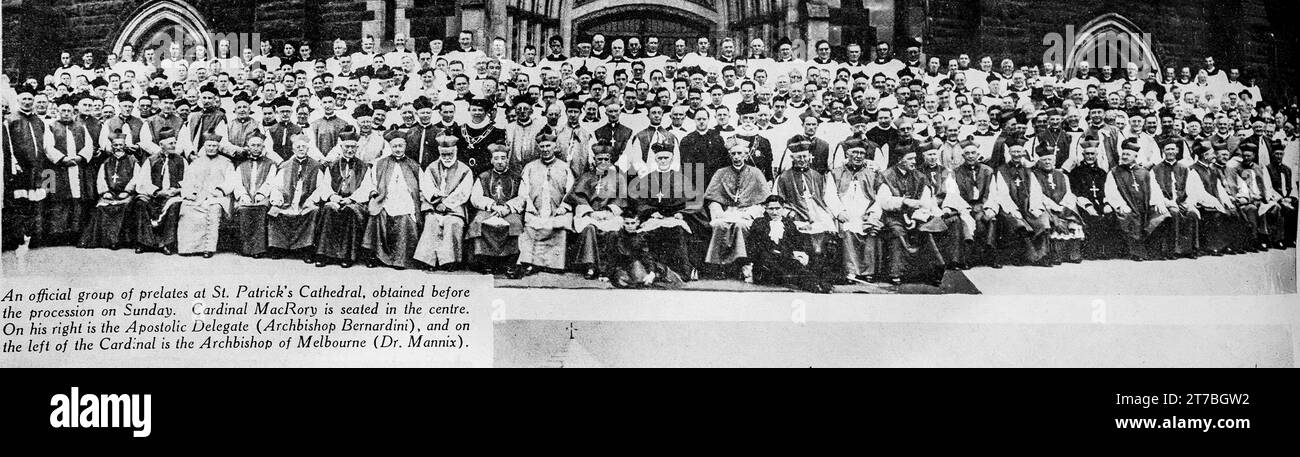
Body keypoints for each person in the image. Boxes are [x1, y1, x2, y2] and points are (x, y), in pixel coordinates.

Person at [877, 147, 947, 285]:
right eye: (910, 158)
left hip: (916, 215)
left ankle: (932, 272)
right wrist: (904, 202)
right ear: (899, 160)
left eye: (914, 158)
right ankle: (896, 272)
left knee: (925, 231)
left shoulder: (920, 176)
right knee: (898, 232)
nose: (914, 162)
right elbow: (883, 201)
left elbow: (925, 201)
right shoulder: (886, 175)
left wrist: (915, 217)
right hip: (893, 216)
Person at [702, 140, 770, 281]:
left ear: (746, 155)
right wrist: (718, 211)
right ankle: (718, 266)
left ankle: (741, 264)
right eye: (733, 154)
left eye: (740, 153)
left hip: (746, 211)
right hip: (726, 211)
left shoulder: (756, 173)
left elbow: (763, 201)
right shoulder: (721, 173)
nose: (737, 157)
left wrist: (750, 213)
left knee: (741, 226)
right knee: (719, 225)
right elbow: (712, 198)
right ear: (729, 155)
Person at [511, 133, 574, 278]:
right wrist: (530, 206)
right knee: (531, 227)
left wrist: (563, 207)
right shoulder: (530, 167)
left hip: (557, 210)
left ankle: (553, 265)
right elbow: (523, 191)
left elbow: (570, 192)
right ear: (538, 148)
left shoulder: (564, 167)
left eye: (548, 146)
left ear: (555, 147)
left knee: (558, 227)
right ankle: (530, 263)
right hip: (536, 209)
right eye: (542, 146)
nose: (545, 149)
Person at [358, 136, 425, 269]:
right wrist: (373, 192)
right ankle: (374, 256)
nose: (398, 149)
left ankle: (400, 259)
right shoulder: (380, 163)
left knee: (406, 218)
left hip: (406, 200)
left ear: (405, 147)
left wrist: (421, 197)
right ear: (390, 147)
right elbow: (370, 182)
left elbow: (423, 185)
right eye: (395, 146)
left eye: (400, 146)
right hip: (385, 198)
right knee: (377, 215)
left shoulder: (414, 165)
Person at [630, 143, 696, 280]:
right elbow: (638, 200)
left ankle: (681, 272)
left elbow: (694, 199)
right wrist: (650, 212)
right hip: (654, 217)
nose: (663, 161)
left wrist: (682, 213)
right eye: (660, 158)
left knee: (677, 232)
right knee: (646, 235)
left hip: (675, 218)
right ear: (656, 160)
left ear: (671, 159)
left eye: (666, 158)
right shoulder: (648, 178)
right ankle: (651, 271)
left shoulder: (681, 178)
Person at [565, 141, 628, 279]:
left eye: (606, 159)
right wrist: (590, 212)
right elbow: (576, 196)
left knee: (614, 229)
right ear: (594, 160)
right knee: (589, 228)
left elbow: (621, 199)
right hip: (589, 214)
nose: (603, 162)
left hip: (609, 214)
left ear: (611, 160)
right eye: (600, 159)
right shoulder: (586, 176)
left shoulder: (618, 177)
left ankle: (607, 267)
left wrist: (608, 212)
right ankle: (590, 266)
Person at [824, 139, 884, 282]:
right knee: (847, 229)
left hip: (866, 213)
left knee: (871, 229)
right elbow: (830, 195)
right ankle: (851, 271)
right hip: (845, 213)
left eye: (862, 153)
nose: (858, 156)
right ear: (847, 154)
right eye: (855, 152)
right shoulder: (835, 173)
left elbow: (880, 196)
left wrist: (873, 214)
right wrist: (839, 212)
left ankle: (868, 271)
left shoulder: (873, 174)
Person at [747, 195, 835, 293]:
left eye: (777, 208)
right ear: (766, 209)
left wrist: (800, 254)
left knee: (805, 262)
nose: (774, 212)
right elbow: (754, 247)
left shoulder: (788, 223)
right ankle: (815, 285)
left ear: (783, 208)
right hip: (766, 262)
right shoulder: (759, 223)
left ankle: (817, 283)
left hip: (785, 258)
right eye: (771, 209)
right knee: (791, 267)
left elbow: (796, 243)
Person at [39, 94, 95, 247]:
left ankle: (75, 233)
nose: (65, 113)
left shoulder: (80, 127)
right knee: (58, 200)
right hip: (57, 169)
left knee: (77, 200)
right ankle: (58, 234)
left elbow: (89, 146)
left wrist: (80, 157)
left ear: (73, 112)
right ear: (58, 111)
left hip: (77, 167)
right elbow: (48, 147)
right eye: (63, 110)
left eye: (68, 111)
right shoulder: (50, 126)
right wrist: (62, 159)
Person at [1104, 138, 1170, 261]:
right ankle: (1137, 253)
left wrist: (1158, 202)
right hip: (1127, 205)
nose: (1124, 156)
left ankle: (1155, 251)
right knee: (1129, 216)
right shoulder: (1114, 172)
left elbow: (1154, 189)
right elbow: (1111, 192)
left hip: (1144, 205)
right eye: (1123, 154)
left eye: (1128, 154)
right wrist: (1120, 205)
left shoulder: (1145, 172)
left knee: (1161, 215)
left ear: (1135, 156)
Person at [413, 135, 473, 270]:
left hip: (455, 207)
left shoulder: (464, 169)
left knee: (453, 223)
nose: (447, 157)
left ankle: (449, 261)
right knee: (431, 222)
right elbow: (427, 186)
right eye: (444, 155)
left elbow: (463, 191)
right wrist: (437, 202)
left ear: (455, 152)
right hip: (434, 205)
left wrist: (446, 204)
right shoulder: (431, 167)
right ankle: (429, 261)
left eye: (450, 154)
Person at [313, 130, 371, 267]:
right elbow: (325, 185)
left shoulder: (364, 166)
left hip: (354, 202)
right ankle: (324, 254)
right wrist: (332, 196)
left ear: (357, 148)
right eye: (347, 147)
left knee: (350, 211)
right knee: (328, 209)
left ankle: (347, 256)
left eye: (353, 147)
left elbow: (366, 187)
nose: (350, 150)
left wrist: (351, 199)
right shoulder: (332, 165)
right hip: (335, 199)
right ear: (341, 147)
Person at [78, 131, 142, 250]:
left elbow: (136, 178)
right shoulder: (106, 162)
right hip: (110, 193)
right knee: (101, 207)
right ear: (112, 147)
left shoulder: (133, 161)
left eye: (121, 145)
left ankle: (118, 241)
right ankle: (105, 240)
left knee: (123, 207)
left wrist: (127, 191)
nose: (118, 148)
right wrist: (104, 192)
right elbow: (101, 179)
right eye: (115, 145)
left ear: (125, 146)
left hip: (126, 193)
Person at [267, 135, 326, 263]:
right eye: (297, 147)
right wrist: (277, 200)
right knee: (275, 211)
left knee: (313, 211)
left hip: (306, 201)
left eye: (303, 147)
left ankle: (305, 249)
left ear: (307, 149)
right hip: (288, 201)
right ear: (293, 150)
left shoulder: (316, 166)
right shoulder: (286, 166)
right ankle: (279, 248)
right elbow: (276, 186)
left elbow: (320, 187)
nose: (300, 149)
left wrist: (311, 200)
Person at [176, 133, 237, 258]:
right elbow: (188, 180)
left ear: (218, 147)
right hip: (199, 195)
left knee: (213, 210)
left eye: (214, 146)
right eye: (209, 145)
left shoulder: (227, 162)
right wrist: (191, 193)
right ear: (204, 146)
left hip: (218, 196)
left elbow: (231, 182)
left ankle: (208, 248)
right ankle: (189, 247)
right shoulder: (196, 162)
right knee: (186, 208)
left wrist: (220, 191)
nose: (211, 148)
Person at [992, 141, 1051, 266]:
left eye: (1019, 151)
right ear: (1009, 153)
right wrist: (1013, 209)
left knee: (1043, 221)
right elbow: (1002, 194)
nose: (1016, 154)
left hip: (1028, 206)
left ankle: (1042, 256)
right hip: (1010, 207)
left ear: (1023, 153)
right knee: (1018, 224)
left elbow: (1035, 190)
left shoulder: (1028, 170)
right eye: (1014, 151)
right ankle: (1022, 256)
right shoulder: (1002, 170)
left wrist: (1034, 207)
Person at [468, 144, 524, 274]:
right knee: (478, 222)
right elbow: (475, 197)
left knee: (515, 223)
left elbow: (523, 197)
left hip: (509, 210)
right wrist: (492, 205)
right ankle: (485, 261)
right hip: (488, 209)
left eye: (503, 158)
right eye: (496, 158)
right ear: (491, 160)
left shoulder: (516, 177)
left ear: (507, 160)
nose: (500, 162)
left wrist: (508, 207)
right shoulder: (483, 176)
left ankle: (509, 262)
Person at [131, 126, 185, 255]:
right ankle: (144, 242)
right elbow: (143, 182)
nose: (174, 145)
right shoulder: (151, 160)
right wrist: (157, 192)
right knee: (140, 203)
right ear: (161, 144)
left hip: (172, 196)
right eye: (170, 143)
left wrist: (177, 191)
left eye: (175, 143)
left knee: (175, 205)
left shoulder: (181, 161)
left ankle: (166, 243)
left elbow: (189, 182)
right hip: (154, 195)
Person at [1030, 146, 1086, 264]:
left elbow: (1068, 192)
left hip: (1063, 206)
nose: (1047, 162)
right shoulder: (1034, 175)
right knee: (1054, 221)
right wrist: (1055, 207)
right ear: (1039, 161)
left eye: (1050, 159)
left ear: (1054, 161)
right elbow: (1038, 195)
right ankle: (1057, 254)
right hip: (1046, 206)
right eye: (1044, 160)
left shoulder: (1062, 175)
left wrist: (1064, 205)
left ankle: (1073, 253)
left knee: (1074, 219)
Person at [952, 140, 1002, 268]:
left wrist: (990, 208)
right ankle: (968, 259)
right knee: (969, 222)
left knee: (991, 219)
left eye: (973, 153)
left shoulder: (988, 171)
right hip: (965, 206)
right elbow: (955, 194)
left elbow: (993, 193)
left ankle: (991, 256)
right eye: (967, 153)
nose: (970, 156)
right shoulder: (956, 172)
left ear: (978, 154)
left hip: (983, 205)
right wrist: (965, 208)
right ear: (963, 156)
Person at [1149, 139, 1202, 259]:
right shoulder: (1156, 169)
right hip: (1166, 203)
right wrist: (1167, 203)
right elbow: (1154, 190)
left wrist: (1188, 203)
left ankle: (1191, 250)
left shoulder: (1184, 168)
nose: (1170, 152)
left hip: (1182, 202)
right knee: (1174, 213)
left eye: (1173, 149)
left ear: (1177, 151)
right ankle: (1173, 250)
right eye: (1167, 149)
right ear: (1163, 151)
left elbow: (1190, 188)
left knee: (1192, 213)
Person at [228, 133, 276, 257]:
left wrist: (261, 194)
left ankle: (258, 249)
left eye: (258, 145)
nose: (255, 148)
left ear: (263, 147)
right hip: (246, 196)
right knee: (244, 209)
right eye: (253, 145)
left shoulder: (270, 164)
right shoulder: (241, 165)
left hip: (263, 196)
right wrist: (244, 195)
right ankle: (245, 247)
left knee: (260, 209)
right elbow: (237, 183)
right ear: (248, 147)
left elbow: (270, 182)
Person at [607, 215, 685, 289]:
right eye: (627, 223)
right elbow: (611, 256)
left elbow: (646, 255)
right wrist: (607, 273)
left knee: (641, 276)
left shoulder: (640, 238)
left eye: (632, 223)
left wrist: (651, 272)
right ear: (623, 224)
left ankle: (658, 275)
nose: (630, 226)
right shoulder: (615, 236)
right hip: (622, 267)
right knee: (623, 280)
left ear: (637, 223)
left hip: (636, 265)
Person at [1264, 142, 1297, 248]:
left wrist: (1291, 198)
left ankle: (1291, 238)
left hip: (1287, 197)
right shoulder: (1267, 168)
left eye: (1280, 154)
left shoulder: (1287, 169)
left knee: (1295, 207)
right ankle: (1278, 239)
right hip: (1275, 198)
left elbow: (1292, 186)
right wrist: (1281, 199)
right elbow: (1268, 187)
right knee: (1279, 209)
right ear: (1272, 154)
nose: (1278, 156)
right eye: (1276, 154)